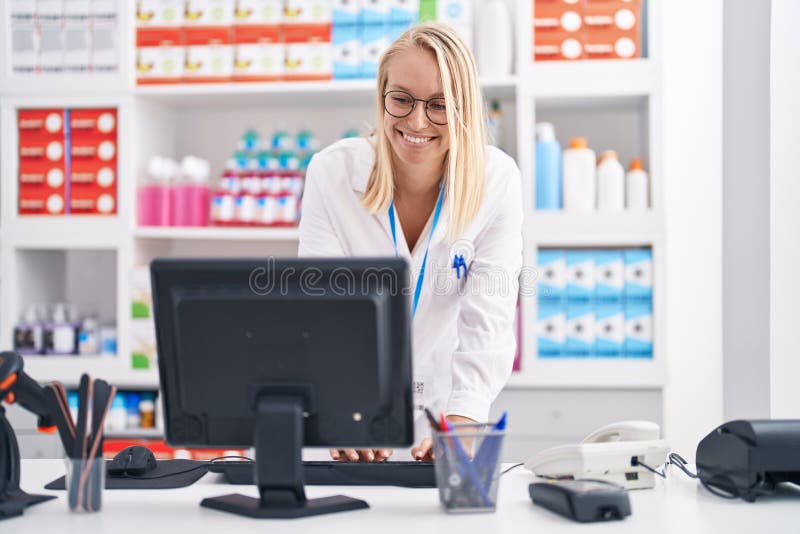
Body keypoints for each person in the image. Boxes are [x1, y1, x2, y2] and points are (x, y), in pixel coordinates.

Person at [298, 22, 523, 462]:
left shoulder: (497, 180)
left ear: (464, 108)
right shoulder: (333, 173)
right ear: (381, 96)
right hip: (347, 416)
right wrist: (341, 408)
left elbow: (489, 318)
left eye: (440, 105)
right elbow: (320, 312)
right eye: (401, 99)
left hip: (443, 415)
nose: (416, 122)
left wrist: (462, 421)